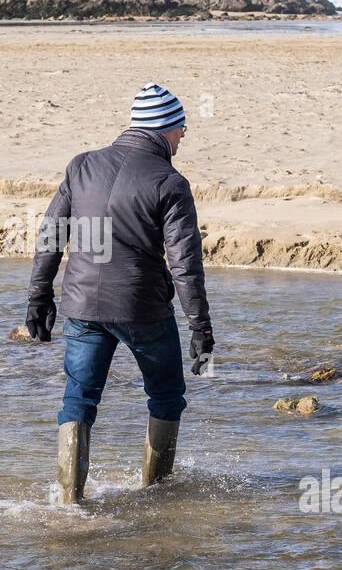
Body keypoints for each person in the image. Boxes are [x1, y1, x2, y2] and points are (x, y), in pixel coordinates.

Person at [25, 83, 214, 504]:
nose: (184, 136)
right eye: (181, 127)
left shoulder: (82, 165)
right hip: (141, 307)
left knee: (78, 397)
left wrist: (39, 297)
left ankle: (69, 502)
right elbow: (185, 264)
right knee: (166, 396)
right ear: (163, 128)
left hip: (80, 305)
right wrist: (200, 328)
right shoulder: (169, 181)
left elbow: (51, 236)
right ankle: (156, 493)